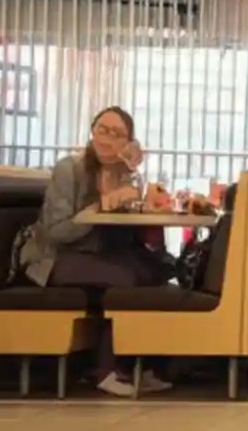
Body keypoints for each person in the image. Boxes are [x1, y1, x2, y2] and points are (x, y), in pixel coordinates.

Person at [18, 106, 172, 397]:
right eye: (102, 129)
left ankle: (139, 366)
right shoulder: (70, 169)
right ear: (92, 131)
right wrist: (102, 205)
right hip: (52, 259)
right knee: (125, 277)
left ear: (128, 142)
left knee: (157, 269)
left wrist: (139, 191)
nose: (107, 139)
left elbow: (121, 229)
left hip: (95, 256)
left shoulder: (122, 173)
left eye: (117, 134)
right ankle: (105, 369)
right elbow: (56, 231)